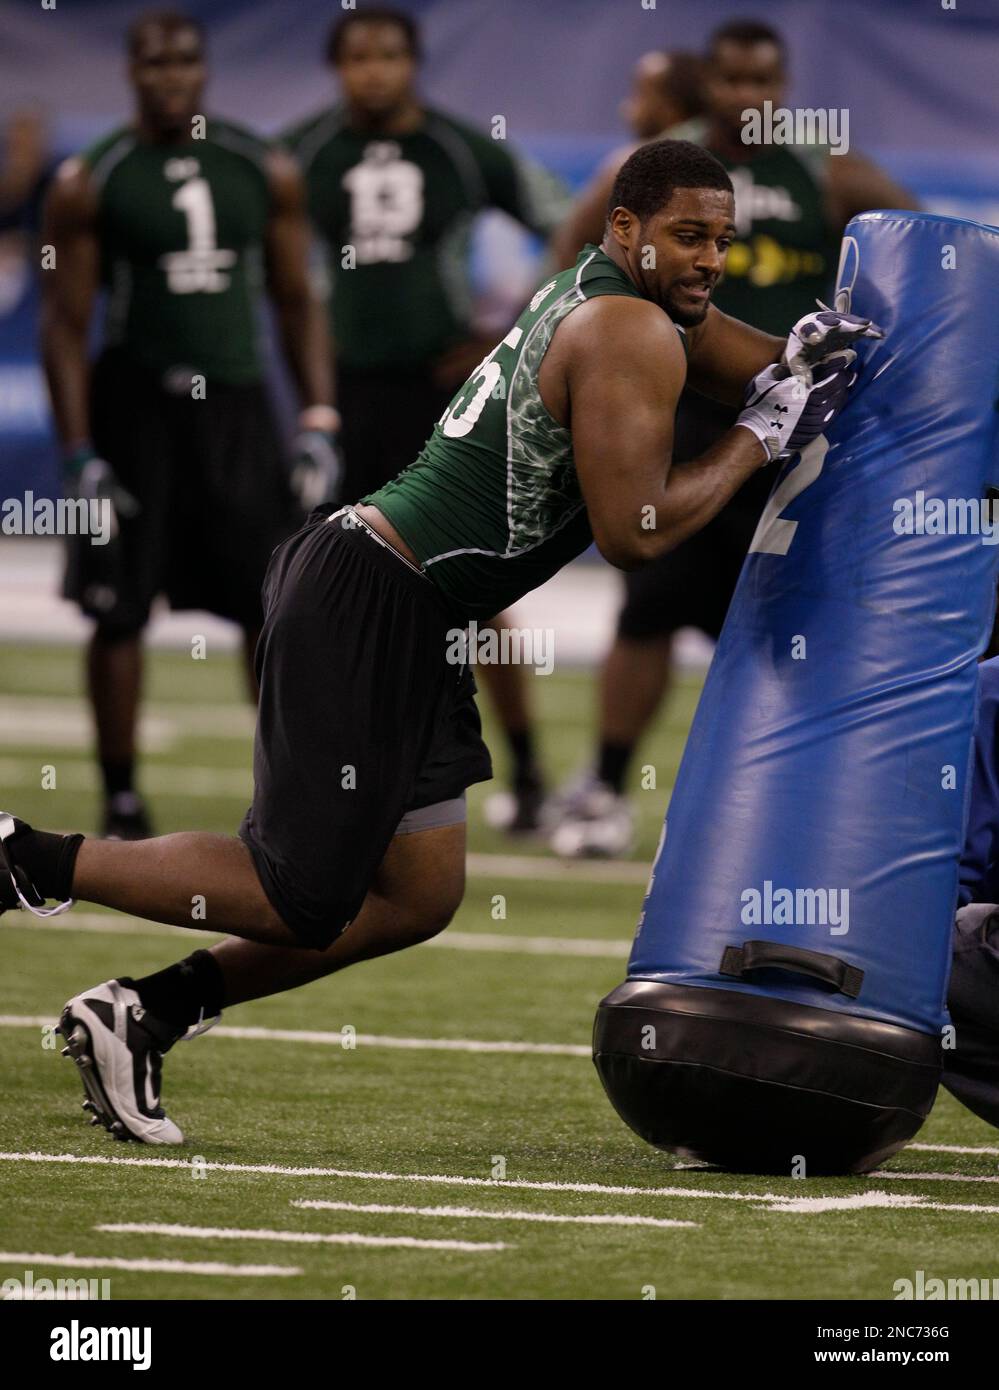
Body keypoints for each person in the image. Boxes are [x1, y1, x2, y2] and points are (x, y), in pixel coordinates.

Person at [1, 139, 875, 1144]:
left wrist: (838, 360)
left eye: (723, 239)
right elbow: (635, 534)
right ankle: (29, 857)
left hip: (411, 608)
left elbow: (784, 367)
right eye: (687, 235)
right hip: (373, 596)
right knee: (295, 892)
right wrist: (761, 436)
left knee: (418, 893)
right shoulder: (629, 326)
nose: (709, 258)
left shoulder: (631, 299)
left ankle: (146, 1011)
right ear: (621, 229)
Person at [548, 17, 919, 858]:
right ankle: (603, 788)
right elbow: (569, 254)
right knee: (649, 605)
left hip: (799, 423)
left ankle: (786, 804)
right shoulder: (654, 166)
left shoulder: (826, 172)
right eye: (733, 82)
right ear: (704, 84)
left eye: (766, 83)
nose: (750, 99)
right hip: (675, 405)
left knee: (793, 618)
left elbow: (929, 249)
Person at [40, 8, 336, 840]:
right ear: (131, 72)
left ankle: (287, 795)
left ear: (203, 70)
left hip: (237, 409)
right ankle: (122, 796)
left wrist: (316, 414)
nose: (171, 78)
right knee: (118, 609)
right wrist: (77, 450)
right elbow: (65, 324)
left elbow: (294, 298)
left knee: (267, 605)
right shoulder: (91, 179)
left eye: (184, 63)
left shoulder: (261, 166)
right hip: (136, 408)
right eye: (154, 64)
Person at [284, 5, 572, 831]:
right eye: (357, 56)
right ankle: (334, 778)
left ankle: (527, 772)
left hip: (444, 393)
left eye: (388, 55)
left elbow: (567, 223)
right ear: (336, 66)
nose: (372, 71)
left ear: (414, 62)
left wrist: (507, 324)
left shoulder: (459, 148)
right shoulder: (299, 153)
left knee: (473, 585)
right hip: (339, 392)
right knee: (329, 581)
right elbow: (271, 261)